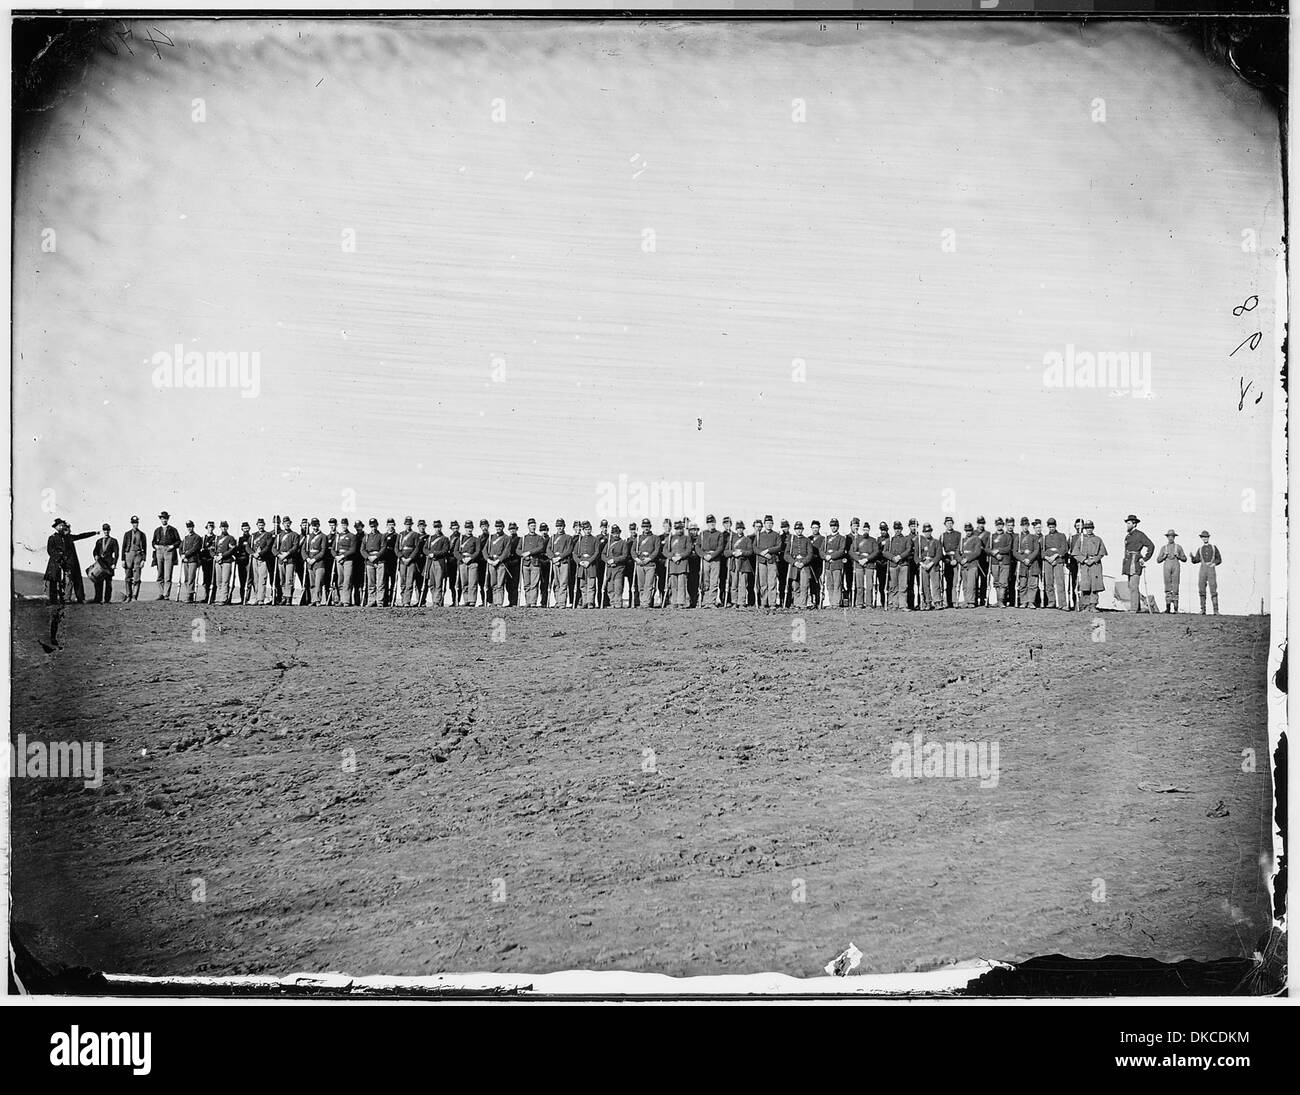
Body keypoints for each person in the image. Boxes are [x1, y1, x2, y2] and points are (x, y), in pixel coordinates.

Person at [1121, 514, 1156, 612]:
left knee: (1133, 585)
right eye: (1127, 523)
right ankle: (1137, 607)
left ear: (1134, 524)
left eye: (1129, 523)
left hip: (1135, 563)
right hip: (1128, 563)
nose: (1127, 525)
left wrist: (1145, 558)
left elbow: (1151, 546)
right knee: (1131, 586)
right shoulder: (1128, 536)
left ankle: (1134, 608)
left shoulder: (1140, 535)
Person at [1075, 520, 1107, 612]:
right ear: (1084, 529)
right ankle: (1085, 606)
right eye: (1087, 528)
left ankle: (1093, 605)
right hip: (1085, 565)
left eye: (1090, 528)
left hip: (1095, 565)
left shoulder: (1098, 539)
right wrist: (1083, 560)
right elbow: (1075, 553)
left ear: (1093, 528)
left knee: (1095, 586)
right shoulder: (1081, 540)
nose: (1089, 530)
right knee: (1085, 585)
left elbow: (1102, 553)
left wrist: (1094, 560)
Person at [696, 514, 725, 608]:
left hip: (715, 559)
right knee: (705, 580)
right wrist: (704, 555)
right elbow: (697, 547)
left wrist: (712, 555)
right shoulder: (702, 534)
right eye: (709, 522)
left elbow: (720, 547)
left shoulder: (719, 534)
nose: (711, 524)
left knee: (714, 581)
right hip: (705, 559)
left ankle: (712, 602)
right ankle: (705, 601)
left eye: (713, 522)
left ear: (715, 523)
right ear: (707, 523)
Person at [1190, 530, 1222, 615]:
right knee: (1201, 588)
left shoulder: (1214, 547)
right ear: (1201, 538)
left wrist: (1214, 563)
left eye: (1206, 537)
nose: (1205, 538)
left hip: (1211, 570)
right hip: (1202, 569)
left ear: (1209, 537)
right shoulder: (1200, 549)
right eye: (1203, 537)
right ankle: (1202, 610)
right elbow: (1196, 560)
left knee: (1213, 589)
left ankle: (1216, 610)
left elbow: (1219, 559)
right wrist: (1192, 557)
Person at [87, 522, 120, 604]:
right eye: (105, 530)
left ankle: (107, 600)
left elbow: (116, 553)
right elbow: (95, 551)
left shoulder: (113, 541)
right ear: (103, 530)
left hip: (109, 564)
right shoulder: (99, 541)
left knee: (108, 582)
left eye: (107, 530)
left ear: (110, 530)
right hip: (100, 564)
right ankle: (98, 599)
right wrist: (95, 556)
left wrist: (114, 564)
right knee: (98, 582)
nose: (106, 532)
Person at [1040, 518, 1069, 610]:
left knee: (1060, 582)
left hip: (1058, 560)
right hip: (1047, 561)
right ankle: (1051, 601)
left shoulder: (1061, 536)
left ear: (1056, 526)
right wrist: (1046, 557)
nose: (1051, 528)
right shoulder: (1044, 538)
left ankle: (1062, 603)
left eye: (1053, 526)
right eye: (1050, 527)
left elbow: (1064, 548)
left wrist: (1055, 556)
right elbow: (1041, 550)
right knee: (1049, 582)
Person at [151, 511, 181, 600]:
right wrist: (155, 546)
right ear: (160, 519)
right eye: (162, 518)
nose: (164, 519)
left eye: (166, 518)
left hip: (169, 551)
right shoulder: (157, 530)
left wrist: (172, 546)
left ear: (168, 519)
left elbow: (178, 541)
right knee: (160, 573)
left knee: (167, 574)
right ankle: (160, 593)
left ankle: (166, 595)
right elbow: (153, 542)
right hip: (159, 551)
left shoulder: (173, 529)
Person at [1156, 530, 1188, 613]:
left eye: (1172, 536)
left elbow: (1185, 559)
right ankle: (1168, 607)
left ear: (1174, 537)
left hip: (1176, 566)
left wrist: (1179, 556)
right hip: (1167, 566)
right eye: (1169, 536)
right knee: (1167, 586)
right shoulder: (1164, 548)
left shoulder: (1178, 547)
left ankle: (1176, 608)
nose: (1170, 538)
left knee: (1175, 586)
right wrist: (1164, 556)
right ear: (1167, 537)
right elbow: (1158, 560)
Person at [785, 521, 815, 609]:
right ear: (794, 530)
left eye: (800, 529)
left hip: (804, 566)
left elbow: (810, 554)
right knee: (795, 585)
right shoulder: (791, 540)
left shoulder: (807, 540)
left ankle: (803, 604)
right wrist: (794, 562)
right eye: (797, 529)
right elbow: (786, 554)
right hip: (794, 565)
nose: (799, 531)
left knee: (804, 585)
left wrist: (803, 562)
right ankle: (796, 603)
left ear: (803, 529)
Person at [755, 516, 782, 610]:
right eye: (767, 523)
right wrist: (762, 553)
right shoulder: (759, 535)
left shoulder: (776, 535)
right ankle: (763, 602)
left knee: (772, 582)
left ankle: (772, 603)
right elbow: (754, 548)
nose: (769, 525)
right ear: (764, 524)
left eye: (770, 523)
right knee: (763, 583)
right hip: (762, 561)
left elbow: (779, 547)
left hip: (772, 561)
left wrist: (768, 550)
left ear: (773, 524)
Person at [884, 521, 913, 610]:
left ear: (901, 529)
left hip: (903, 565)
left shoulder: (906, 539)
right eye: (896, 529)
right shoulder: (890, 540)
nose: (897, 531)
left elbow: (908, 550)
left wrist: (900, 557)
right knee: (893, 586)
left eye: (899, 529)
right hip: (893, 565)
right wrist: (893, 558)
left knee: (903, 586)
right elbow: (885, 552)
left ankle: (903, 605)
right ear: (894, 529)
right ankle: (894, 604)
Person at [422, 520, 451, 607]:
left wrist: (434, 554)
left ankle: (437, 601)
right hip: (430, 562)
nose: (437, 529)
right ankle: (434, 599)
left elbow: (445, 550)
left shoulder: (445, 539)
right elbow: (424, 549)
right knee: (431, 583)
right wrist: (429, 554)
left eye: (438, 527)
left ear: (441, 527)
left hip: (439, 562)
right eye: (435, 527)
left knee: (438, 583)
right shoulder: (430, 538)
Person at [1014, 517, 1041, 609]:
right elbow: (1014, 552)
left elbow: (1037, 550)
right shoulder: (1018, 538)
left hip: (1033, 562)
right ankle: (1023, 601)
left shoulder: (1034, 537)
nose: (1025, 527)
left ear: (1029, 526)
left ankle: (1031, 602)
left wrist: (1029, 559)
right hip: (1022, 563)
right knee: (1023, 583)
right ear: (1021, 526)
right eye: (1023, 525)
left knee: (1033, 583)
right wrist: (1023, 559)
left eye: (1026, 525)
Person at [850, 521, 879, 608]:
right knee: (859, 585)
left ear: (869, 530)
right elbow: (851, 552)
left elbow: (876, 552)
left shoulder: (873, 540)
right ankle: (859, 603)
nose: (865, 531)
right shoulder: (856, 540)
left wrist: (867, 559)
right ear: (862, 530)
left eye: (867, 529)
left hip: (869, 564)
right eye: (864, 529)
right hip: (859, 564)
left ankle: (869, 603)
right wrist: (859, 560)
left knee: (869, 585)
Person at [601, 523, 630, 607]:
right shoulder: (609, 543)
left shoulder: (623, 543)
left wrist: (615, 560)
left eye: (617, 533)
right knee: (610, 587)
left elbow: (624, 555)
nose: (616, 535)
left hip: (619, 568)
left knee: (618, 586)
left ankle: (618, 603)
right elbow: (603, 554)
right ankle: (612, 602)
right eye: (614, 533)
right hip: (609, 568)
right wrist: (607, 561)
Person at [548, 518, 575, 608]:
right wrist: (553, 558)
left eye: (561, 526)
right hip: (555, 562)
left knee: (563, 583)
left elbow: (569, 550)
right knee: (556, 583)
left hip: (564, 562)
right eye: (558, 526)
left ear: (564, 526)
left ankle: (562, 602)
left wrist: (559, 557)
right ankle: (557, 601)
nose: (560, 528)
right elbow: (548, 549)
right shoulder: (552, 537)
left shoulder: (568, 537)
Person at [821, 519, 848, 608]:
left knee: (837, 584)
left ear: (838, 527)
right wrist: (826, 557)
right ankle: (831, 602)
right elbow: (821, 551)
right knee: (830, 584)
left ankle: (836, 603)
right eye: (832, 526)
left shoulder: (841, 538)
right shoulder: (826, 538)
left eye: (835, 526)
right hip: (828, 565)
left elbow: (841, 550)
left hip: (837, 564)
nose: (833, 527)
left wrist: (831, 556)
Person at [726, 520, 754, 607]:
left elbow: (750, 552)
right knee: (734, 584)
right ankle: (734, 602)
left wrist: (742, 553)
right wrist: (733, 553)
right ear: (736, 529)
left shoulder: (747, 540)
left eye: (741, 528)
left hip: (744, 564)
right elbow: (725, 552)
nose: (740, 530)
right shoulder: (731, 539)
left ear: (743, 529)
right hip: (734, 564)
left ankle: (741, 602)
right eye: (738, 528)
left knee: (742, 584)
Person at [456, 518, 483, 607]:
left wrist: (470, 558)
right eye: (467, 527)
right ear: (465, 528)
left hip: (472, 563)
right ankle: (466, 600)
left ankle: (472, 601)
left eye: (471, 527)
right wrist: (462, 558)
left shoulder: (476, 539)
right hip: (463, 562)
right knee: (464, 583)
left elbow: (478, 551)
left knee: (473, 582)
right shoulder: (460, 539)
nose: (469, 529)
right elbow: (456, 551)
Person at [573, 521, 601, 608]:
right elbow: (574, 553)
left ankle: (590, 602)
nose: (587, 531)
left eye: (589, 529)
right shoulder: (580, 540)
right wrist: (579, 561)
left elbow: (597, 552)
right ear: (583, 530)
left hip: (591, 565)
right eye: (586, 529)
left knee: (591, 585)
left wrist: (589, 561)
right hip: (582, 566)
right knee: (582, 585)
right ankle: (584, 602)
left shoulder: (595, 539)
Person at [276, 516, 302, 606]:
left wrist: (286, 554)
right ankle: (284, 596)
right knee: (282, 580)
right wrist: (279, 555)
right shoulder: (279, 535)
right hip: (281, 560)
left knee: (289, 580)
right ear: (283, 524)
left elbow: (295, 547)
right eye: (285, 523)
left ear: (290, 523)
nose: (287, 524)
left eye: (288, 523)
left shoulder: (295, 535)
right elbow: (274, 548)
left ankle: (288, 598)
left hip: (290, 559)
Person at [120, 516, 148, 601]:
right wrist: (123, 560)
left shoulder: (142, 534)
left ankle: (134, 596)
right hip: (128, 555)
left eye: (136, 523)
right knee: (128, 576)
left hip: (138, 555)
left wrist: (143, 559)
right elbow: (123, 547)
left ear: (138, 523)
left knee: (137, 577)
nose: (135, 524)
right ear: (131, 524)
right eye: (133, 523)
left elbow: (145, 548)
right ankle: (128, 595)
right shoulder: (127, 534)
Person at [397, 516, 423, 607]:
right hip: (402, 560)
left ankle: (407, 601)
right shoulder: (400, 535)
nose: (408, 526)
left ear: (412, 524)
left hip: (411, 561)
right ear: (404, 524)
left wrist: (410, 558)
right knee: (402, 581)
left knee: (409, 581)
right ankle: (403, 599)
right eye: (406, 524)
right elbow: (397, 549)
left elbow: (417, 548)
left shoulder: (415, 535)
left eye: (409, 524)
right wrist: (402, 557)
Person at [634, 518, 660, 608]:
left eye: (647, 526)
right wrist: (636, 558)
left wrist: (649, 558)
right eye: (644, 526)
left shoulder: (655, 538)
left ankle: (646, 603)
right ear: (642, 527)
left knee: (648, 585)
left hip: (650, 564)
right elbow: (632, 550)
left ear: (650, 527)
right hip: (640, 564)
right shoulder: (638, 538)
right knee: (641, 585)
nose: (646, 528)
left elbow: (656, 550)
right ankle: (642, 602)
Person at [987, 519, 1013, 608]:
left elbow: (1009, 548)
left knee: (1003, 582)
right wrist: (994, 553)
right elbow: (987, 549)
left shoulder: (1007, 536)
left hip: (1005, 561)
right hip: (994, 562)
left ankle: (1001, 601)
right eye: (998, 525)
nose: (999, 526)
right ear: (995, 525)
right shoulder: (992, 537)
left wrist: (998, 550)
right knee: (996, 582)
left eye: (1001, 524)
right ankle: (998, 601)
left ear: (1003, 525)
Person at [916, 522, 942, 609]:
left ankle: (937, 602)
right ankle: (928, 602)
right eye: (926, 531)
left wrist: (931, 563)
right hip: (923, 564)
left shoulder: (936, 542)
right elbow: (916, 555)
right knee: (925, 584)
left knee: (936, 584)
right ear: (923, 532)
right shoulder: (920, 542)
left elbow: (939, 554)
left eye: (929, 531)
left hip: (933, 563)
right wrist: (921, 563)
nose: (928, 533)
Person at [250, 518, 275, 604]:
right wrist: (253, 554)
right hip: (254, 558)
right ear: (257, 525)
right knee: (255, 579)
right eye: (259, 525)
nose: (260, 526)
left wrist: (260, 554)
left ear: (264, 525)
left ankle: (261, 598)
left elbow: (268, 547)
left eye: (262, 525)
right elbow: (248, 547)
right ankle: (257, 597)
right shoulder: (253, 535)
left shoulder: (268, 535)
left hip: (263, 559)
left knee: (262, 579)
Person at [958, 522, 983, 607]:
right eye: (967, 530)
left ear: (972, 530)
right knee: (965, 585)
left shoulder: (976, 539)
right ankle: (966, 601)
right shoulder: (962, 540)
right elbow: (957, 552)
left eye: (969, 530)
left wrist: (967, 559)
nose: (968, 532)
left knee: (971, 585)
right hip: (964, 565)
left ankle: (971, 602)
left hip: (972, 564)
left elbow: (977, 552)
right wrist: (960, 560)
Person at [44, 520, 69, 603]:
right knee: (53, 581)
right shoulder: (52, 538)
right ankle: (53, 600)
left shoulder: (64, 537)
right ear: (56, 527)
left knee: (62, 581)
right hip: (54, 563)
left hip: (63, 562)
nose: (62, 527)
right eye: (60, 526)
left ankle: (62, 599)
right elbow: (50, 551)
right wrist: (59, 556)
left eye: (63, 525)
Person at [179, 520, 204, 602]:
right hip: (185, 561)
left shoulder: (197, 537)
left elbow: (195, 548)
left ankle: (190, 595)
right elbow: (181, 548)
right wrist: (182, 555)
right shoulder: (185, 538)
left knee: (191, 578)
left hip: (193, 560)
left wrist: (186, 555)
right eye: (188, 527)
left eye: (190, 527)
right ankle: (188, 594)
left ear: (193, 527)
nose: (189, 528)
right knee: (186, 578)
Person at [940, 516, 961, 608]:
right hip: (947, 559)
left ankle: (955, 601)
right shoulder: (942, 536)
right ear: (945, 524)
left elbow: (960, 548)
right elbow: (940, 551)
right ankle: (948, 602)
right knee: (948, 581)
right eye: (947, 523)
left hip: (956, 558)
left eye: (951, 523)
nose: (949, 525)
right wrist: (947, 560)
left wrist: (956, 559)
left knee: (956, 581)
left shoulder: (958, 534)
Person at [234, 522, 253, 604]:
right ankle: (242, 598)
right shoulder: (239, 539)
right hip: (241, 561)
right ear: (242, 529)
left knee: (248, 580)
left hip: (248, 560)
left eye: (247, 528)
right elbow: (235, 550)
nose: (246, 529)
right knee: (242, 580)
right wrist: (237, 557)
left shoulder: (252, 538)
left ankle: (246, 598)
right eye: (244, 528)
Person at [200, 521, 218, 604]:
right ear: (206, 528)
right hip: (204, 560)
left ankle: (212, 597)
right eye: (208, 527)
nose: (210, 529)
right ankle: (206, 596)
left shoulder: (216, 538)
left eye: (211, 527)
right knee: (206, 579)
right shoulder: (203, 538)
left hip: (212, 560)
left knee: (212, 579)